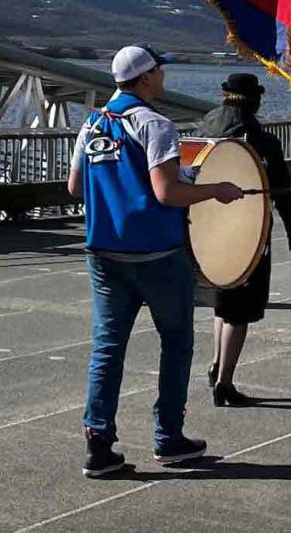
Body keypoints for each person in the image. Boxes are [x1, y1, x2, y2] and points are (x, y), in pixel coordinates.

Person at [67, 45, 242, 477]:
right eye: (159, 70)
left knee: (108, 348)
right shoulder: (154, 124)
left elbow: (74, 186)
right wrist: (214, 189)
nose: (163, 77)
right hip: (158, 254)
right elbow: (167, 193)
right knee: (177, 342)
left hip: (103, 252)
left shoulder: (92, 123)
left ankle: (99, 442)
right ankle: (168, 436)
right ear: (145, 78)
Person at [195, 72, 291, 407]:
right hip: (249, 231)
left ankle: (217, 364)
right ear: (255, 100)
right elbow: (282, 192)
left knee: (222, 302)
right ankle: (225, 382)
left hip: (206, 229)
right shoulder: (263, 141)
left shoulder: (205, 131)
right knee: (239, 311)